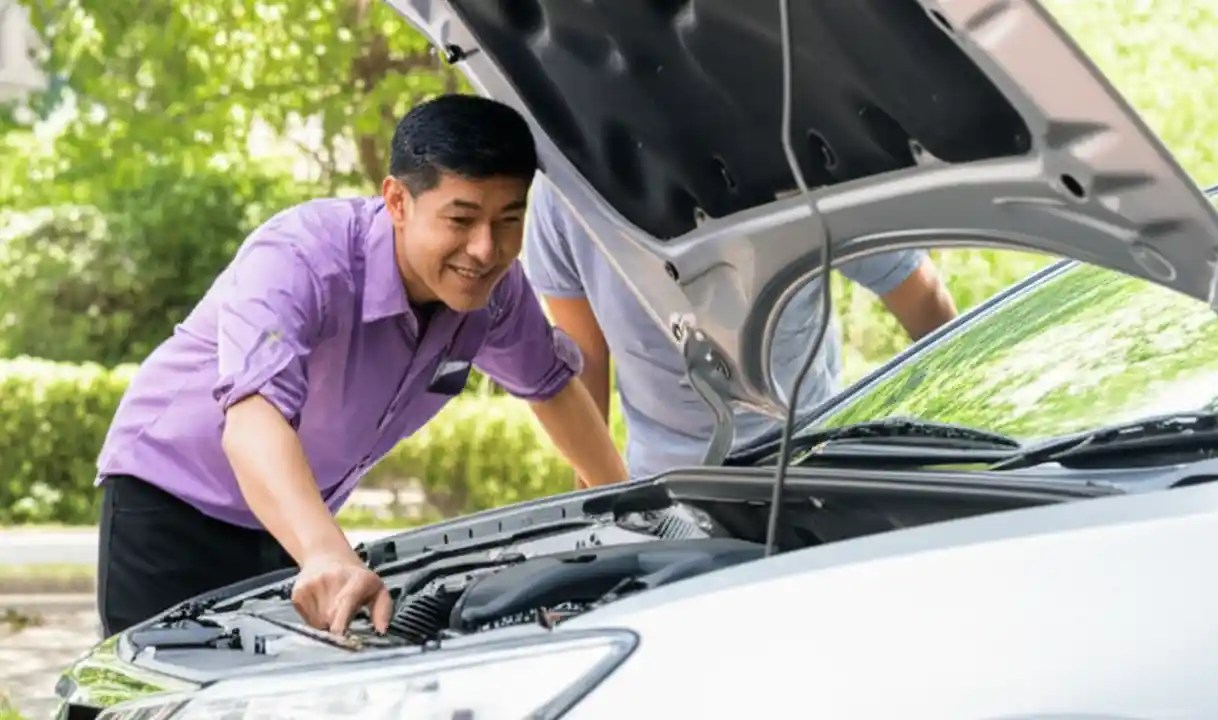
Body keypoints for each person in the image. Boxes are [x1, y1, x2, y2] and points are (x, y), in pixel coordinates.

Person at [93, 95, 628, 639]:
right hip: (171, 500)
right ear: (397, 201)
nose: (485, 249)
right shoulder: (300, 257)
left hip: (291, 516)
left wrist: (633, 513)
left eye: (508, 220)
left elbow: (551, 387)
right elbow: (253, 416)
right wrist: (326, 554)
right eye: (461, 219)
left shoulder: (495, 293)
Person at [522, 173, 959, 481]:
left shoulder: (794, 162)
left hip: (816, 466)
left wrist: (964, 441)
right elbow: (586, 364)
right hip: (669, 490)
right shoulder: (561, 194)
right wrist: (600, 514)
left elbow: (919, 294)